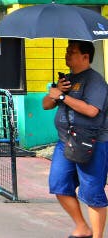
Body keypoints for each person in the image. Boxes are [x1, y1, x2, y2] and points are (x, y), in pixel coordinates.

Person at [43, 40, 108, 238]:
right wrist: (57, 93)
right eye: (67, 51)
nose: (67, 55)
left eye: (72, 52)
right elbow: (46, 104)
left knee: (92, 192)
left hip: (91, 143)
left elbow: (91, 110)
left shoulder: (95, 81)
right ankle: (82, 227)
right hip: (66, 142)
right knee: (59, 184)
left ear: (85, 57)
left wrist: (63, 98)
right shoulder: (67, 79)